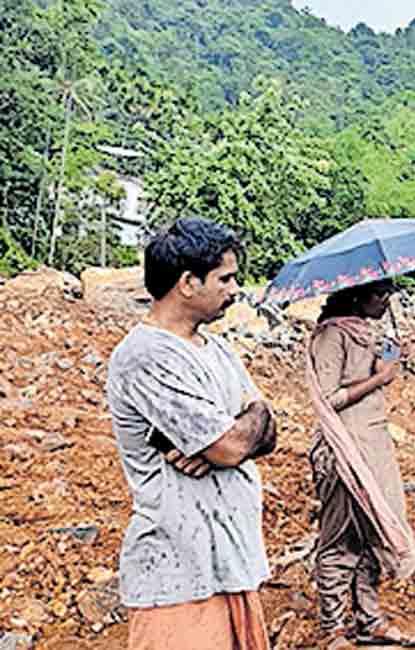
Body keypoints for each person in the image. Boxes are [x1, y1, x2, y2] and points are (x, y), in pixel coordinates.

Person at [106, 217, 278, 650]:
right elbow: (230, 445)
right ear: (187, 282)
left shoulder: (214, 348)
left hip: (229, 557)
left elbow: (266, 425)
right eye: (226, 278)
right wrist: (233, 437)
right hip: (179, 569)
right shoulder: (145, 356)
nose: (235, 289)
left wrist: (241, 430)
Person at [306, 278, 415, 649]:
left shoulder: (365, 333)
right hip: (344, 451)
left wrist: (384, 363)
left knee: (374, 536)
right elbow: (328, 398)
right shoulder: (330, 336)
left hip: (372, 448)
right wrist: (380, 378)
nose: (387, 302)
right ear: (357, 297)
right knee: (339, 538)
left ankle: (369, 620)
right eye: (380, 294)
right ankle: (333, 627)